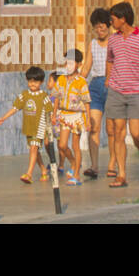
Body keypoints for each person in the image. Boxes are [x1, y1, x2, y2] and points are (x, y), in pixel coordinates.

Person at [103, 1, 139, 187]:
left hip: (137, 93)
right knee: (118, 133)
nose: (111, 23)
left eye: (113, 19)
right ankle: (122, 175)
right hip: (116, 92)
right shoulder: (113, 39)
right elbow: (110, 60)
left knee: (136, 133)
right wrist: (108, 78)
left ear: (123, 19)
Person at [0, 66, 54, 184]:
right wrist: (3, 118)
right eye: (30, 81)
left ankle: (29, 174)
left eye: (36, 81)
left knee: (33, 148)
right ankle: (43, 170)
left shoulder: (44, 97)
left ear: (41, 82)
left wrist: (51, 128)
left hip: (40, 127)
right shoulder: (24, 95)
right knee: (34, 151)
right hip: (29, 127)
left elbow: (50, 112)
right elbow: (15, 108)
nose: (32, 84)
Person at [78, 8, 113, 179]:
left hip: (112, 85)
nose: (100, 31)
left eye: (103, 28)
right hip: (95, 86)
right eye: (97, 28)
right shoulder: (92, 44)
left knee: (112, 129)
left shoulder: (115, 42)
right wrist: (77, 83)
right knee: (94, 127)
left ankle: (113, 164)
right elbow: (86, 67)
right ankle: (94, 166)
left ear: (109, 26)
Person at [51, 50, 90, 185]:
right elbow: (56, 97)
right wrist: (55, 114)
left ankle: (77, 175)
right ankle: (73, 163)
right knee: (62, 145)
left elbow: (86, 102)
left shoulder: (81, 82)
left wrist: (88, 120)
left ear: (78, 64)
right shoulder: (61, 79)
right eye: (67, 62)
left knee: (75, 145)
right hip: (64, 115)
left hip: (77, 116)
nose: (68, 65)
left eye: (72, 63)